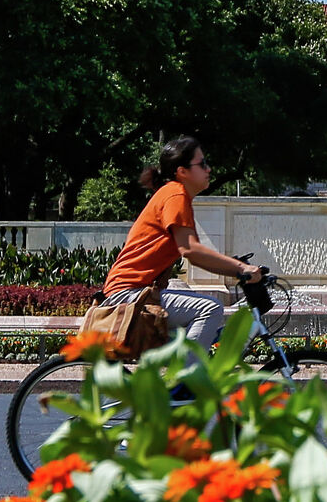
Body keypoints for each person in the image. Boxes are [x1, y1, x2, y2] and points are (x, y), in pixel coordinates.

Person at [100, 136, 264, 350]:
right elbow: (191, 250)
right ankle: (189, 371)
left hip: (134, 292)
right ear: (182, 171)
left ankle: (179, 368)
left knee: (184, 340)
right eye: (202, 163)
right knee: (210, 308)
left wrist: (235, 267)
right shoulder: (175, 194)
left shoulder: (174, 195)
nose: (209, 169)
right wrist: (241, 268)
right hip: (129, 294)